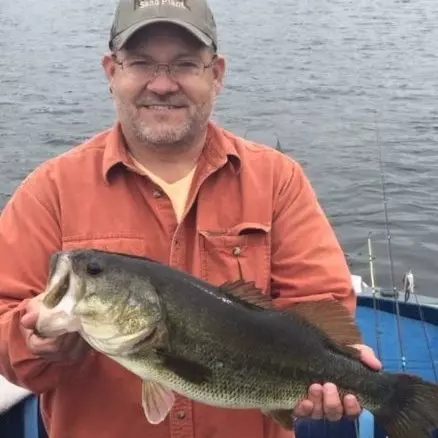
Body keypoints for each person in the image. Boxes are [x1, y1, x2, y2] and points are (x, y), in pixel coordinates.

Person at [0, 0, 381, 437]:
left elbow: (321, 305)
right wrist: (30, 342)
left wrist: (342, 363)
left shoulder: (277, 180)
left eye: (184, 64)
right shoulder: (50, 190)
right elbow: (4, 319)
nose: (162, 84)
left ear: (215, 74)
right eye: (141, 63)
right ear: (111, 72)